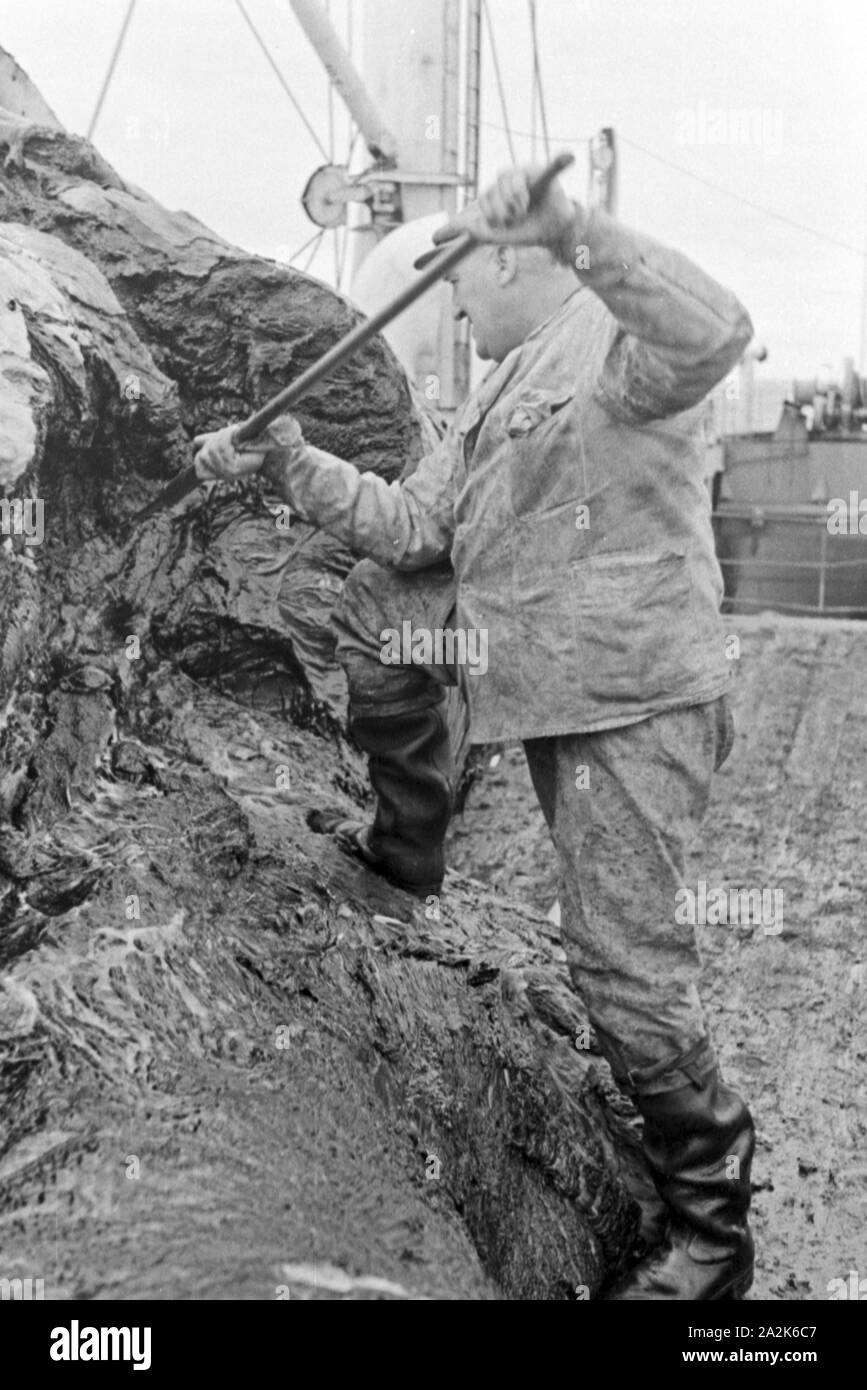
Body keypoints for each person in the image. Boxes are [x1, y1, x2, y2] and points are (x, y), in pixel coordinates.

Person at [194, 164, 756, 1301]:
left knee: (623, 963)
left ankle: (713, 1233)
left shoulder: (613, 332)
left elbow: (718, 331)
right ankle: (410, 843)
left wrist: (581, 230)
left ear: (504, 257)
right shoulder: (502, 390)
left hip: (631, 701)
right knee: (381, 614)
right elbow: (409, 528)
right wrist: (290, 458)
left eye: (461, 287)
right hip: (542, 680)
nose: (451, 312)